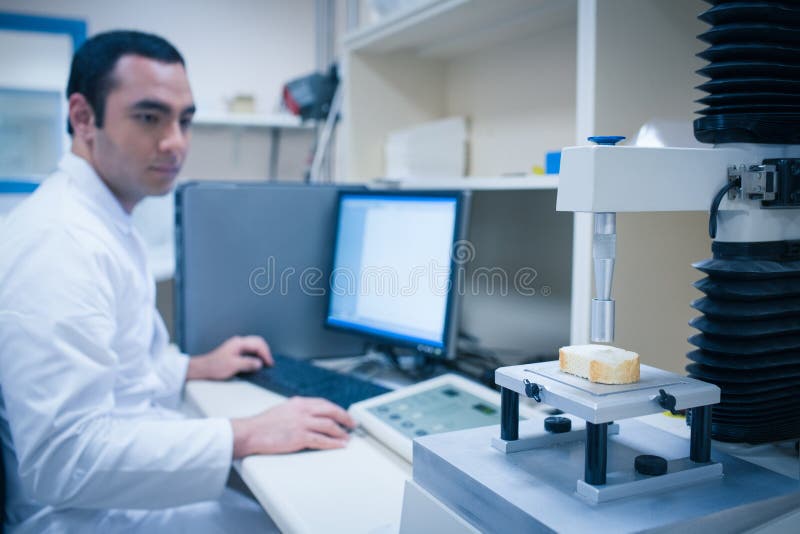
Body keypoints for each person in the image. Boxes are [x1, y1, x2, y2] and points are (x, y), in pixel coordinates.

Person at [0, 30, 355, 532]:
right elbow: (64, 459)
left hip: (113, 497)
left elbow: (124, 369)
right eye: (150, 117)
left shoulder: (102, 218)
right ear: (83, 118)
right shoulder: (58, 242)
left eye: (185, 120)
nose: (176, 142)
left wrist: (194, 366)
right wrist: (245, 434)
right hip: (82, 519)